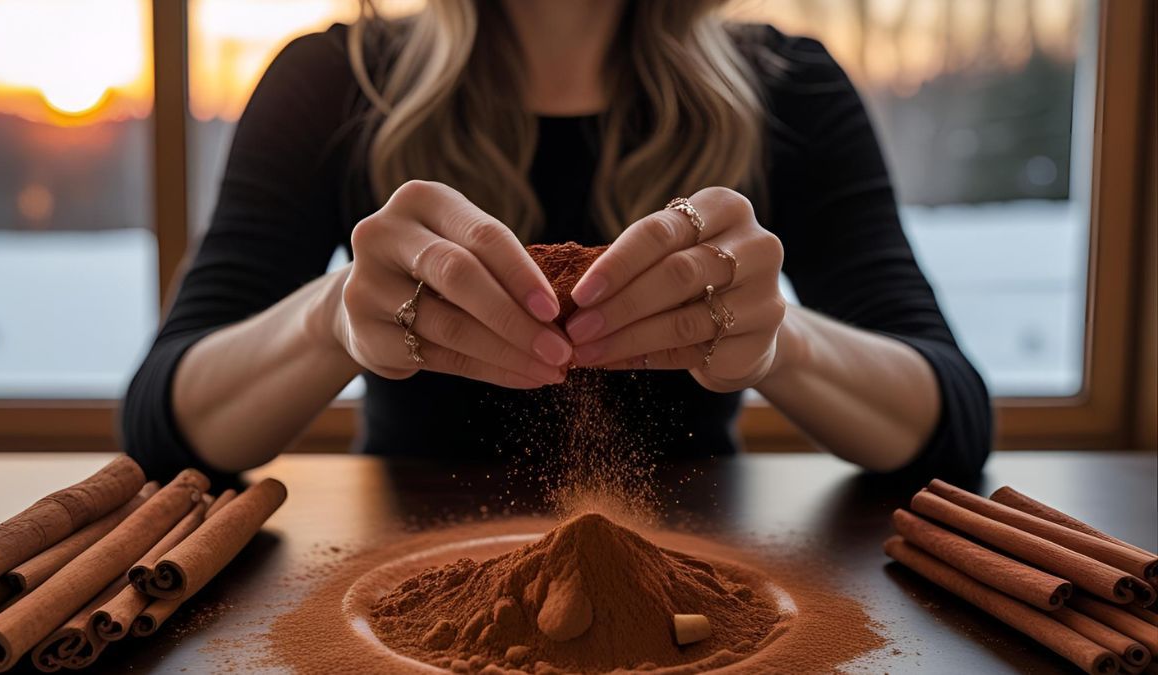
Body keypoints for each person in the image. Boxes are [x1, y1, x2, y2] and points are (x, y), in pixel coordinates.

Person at [122, 0, 991, 486]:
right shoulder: (331, 81)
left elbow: (950, 423)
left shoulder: (789, 88)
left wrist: (781, 344)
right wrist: (332, 320)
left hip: (701, 589)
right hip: (390, 589)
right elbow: (165, 424)